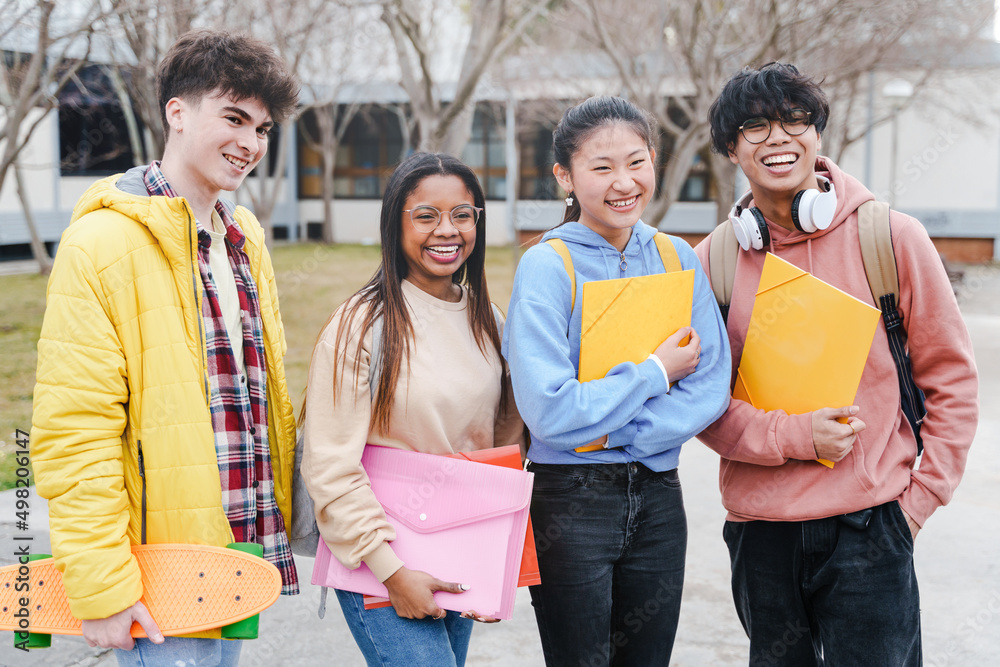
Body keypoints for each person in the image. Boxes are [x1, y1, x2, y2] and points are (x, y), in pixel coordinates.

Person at [694, 62, 980, 666]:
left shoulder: (891, 238)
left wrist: (916, 506)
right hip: (761, 532)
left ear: (817, 134)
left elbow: (951, 380)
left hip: (872, 527)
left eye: (794, 121)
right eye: (755, 127)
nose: (778, 138)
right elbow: (698, 404)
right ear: (730, 148)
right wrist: (796, 436)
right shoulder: (712, 262)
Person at [30, 30, 300, 665]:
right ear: (177, 113)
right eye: (233, 118)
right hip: (158, 575)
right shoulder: (99, 242)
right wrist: (101, 588)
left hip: (233, 551)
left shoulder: (244, 235)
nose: (251, 144)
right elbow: (76, 428)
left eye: (262, 128)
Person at [501, 95, 732, 666]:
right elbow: (549, 410)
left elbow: (711, 385)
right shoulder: (547, 265)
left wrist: (612, 432)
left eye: (636, 162)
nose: (622, 182)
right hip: (569, 503)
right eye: (601, 168)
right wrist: (654, 373)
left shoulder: (678, 258)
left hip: (658, 497)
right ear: (566, 177)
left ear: (654, 160)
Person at [301, 152, 524, 667]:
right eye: (426, 215)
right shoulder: (361, 324)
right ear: (394, 223)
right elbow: (329, 466)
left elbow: (501, 445)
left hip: (460, 550)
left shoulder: (486, 317)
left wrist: (489, 562)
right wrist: (392, 571)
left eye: (462, 215)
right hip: (381, 557)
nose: (447, 230)